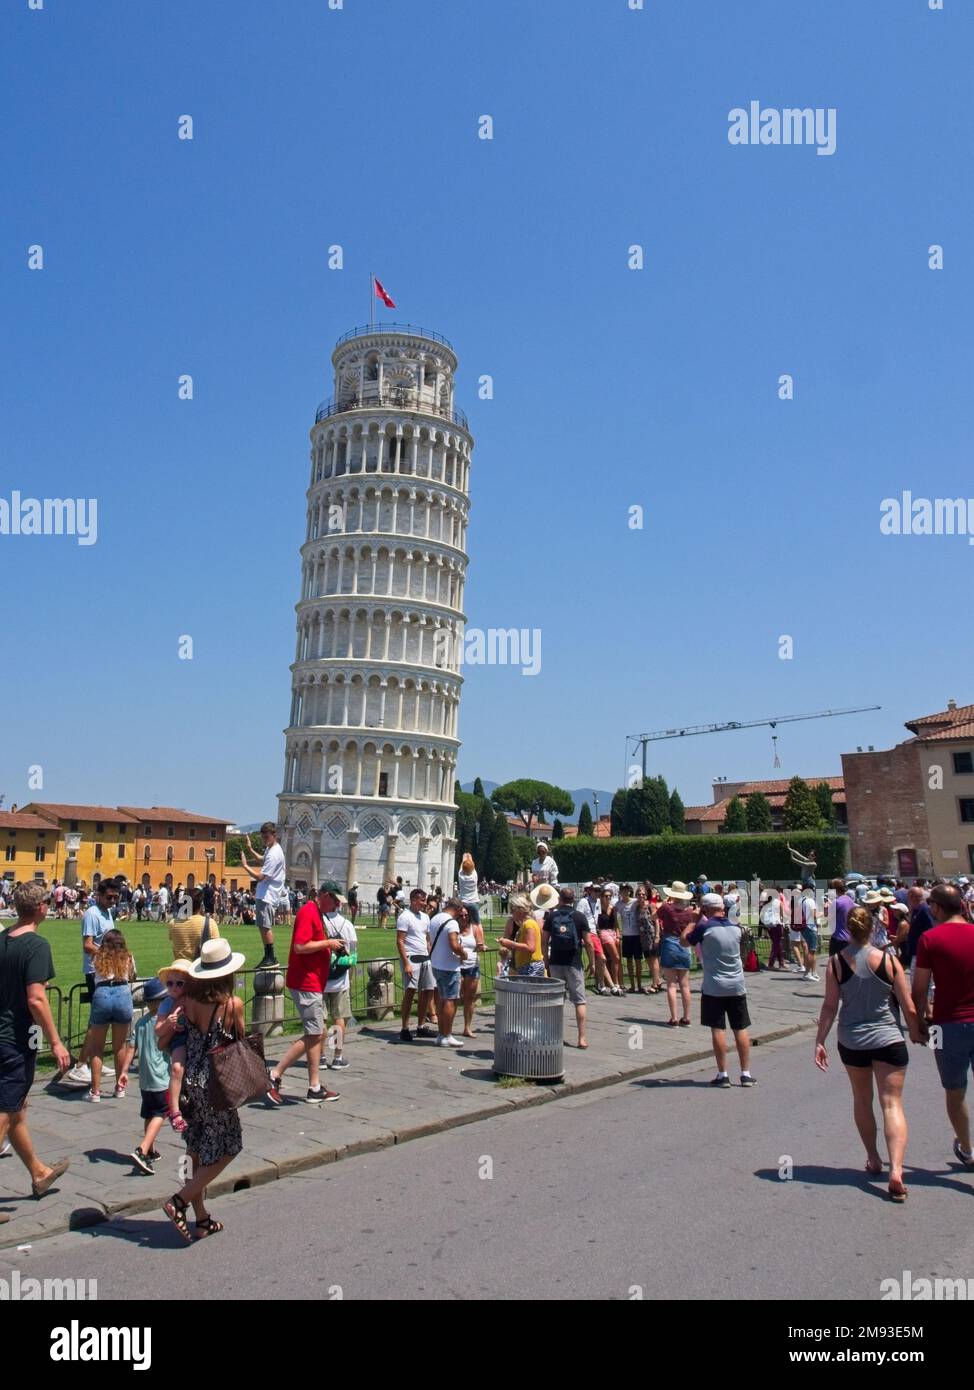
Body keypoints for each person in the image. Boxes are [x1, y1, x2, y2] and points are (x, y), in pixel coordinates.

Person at [816, 905, 921, 1202]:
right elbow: (908, 1004)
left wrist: (820, 1040)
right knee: (892, 1105)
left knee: (862, 1100)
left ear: (848, 929)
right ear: (873, 928)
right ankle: (896, 1170)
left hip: (852, 1040)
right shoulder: (888, 960)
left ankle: (873, 1157)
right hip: (888, 1037)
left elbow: (829, 1006)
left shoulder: (836, 962)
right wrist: (915, 1030)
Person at [162, 937, 247, 1242]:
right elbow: (240, 1040)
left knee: (194, 1148)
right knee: (229, 1147)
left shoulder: (188, 1001)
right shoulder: (230, 1004)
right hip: (216, 1083)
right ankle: (179, 1201)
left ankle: (202, 1219)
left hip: (190, 1081)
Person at [0, 882, 71, 1215]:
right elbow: (37, 998)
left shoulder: (3, 939)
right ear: (42, 906)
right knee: (5, 1113)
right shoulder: (36, 946)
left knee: (16, 1111)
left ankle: (39, 1173)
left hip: (3, 1035)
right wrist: (56, 1041)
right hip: (16, 1040)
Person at [912, 884, 974, 1171]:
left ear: (936, 908)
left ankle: (967, 1147)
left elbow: (920, 988)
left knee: (954, 1089)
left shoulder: (929, 939)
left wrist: (919, 1022)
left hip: (945, 1025)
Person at [266, 883, 345, 1103]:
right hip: (305, 981)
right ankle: (275, 1074)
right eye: (336, 900)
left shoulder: (317, 913)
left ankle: (314, 1087)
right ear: (325, 896)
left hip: (313, 982)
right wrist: (328, 943)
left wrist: (330, 946)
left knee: (316, 1032)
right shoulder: (308, 912)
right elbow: (300, 946)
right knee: (314, 1034)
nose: (338, 905)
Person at [687, 893, 755, 1088]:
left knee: (718, 1029)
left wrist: (693, 920)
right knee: (740, 1028)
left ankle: (723, 1074)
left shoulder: (704, 927)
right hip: (737, 984)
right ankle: (745, 1073)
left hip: (714, 985)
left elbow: (685, 940)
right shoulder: (736, 926)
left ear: (705, 909)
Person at [62, 878, 119, 1087]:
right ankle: (81, 1065)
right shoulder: (92, 914)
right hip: (95, 971)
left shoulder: (108, 912)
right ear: (99, 895)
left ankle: (96, 1059)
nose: (112, 900)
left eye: (115, 897)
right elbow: (87, 944)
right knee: (97, 1020)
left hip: (106, 970)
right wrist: (110, 954)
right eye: (109, 897)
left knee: (102, 1019)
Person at [85, 929, 137, 1102]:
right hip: (122, 992)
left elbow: (94, 975)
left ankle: (95, 1091)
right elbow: (132, 975)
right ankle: (119, 1087)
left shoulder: (98, 957)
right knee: (120, 1046)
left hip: (103, 993)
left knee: (97, 1047)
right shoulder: (128, 957)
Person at [131, 977, 171, 1175]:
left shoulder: (140, 1022)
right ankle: (142, 1149)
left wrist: (122, 1072)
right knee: (160, 1114)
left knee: (149, 1113)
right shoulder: (163, 1023)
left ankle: (151, 1150)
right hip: (160, 1077)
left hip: (144, 1079)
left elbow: (131, 1047)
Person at [542, 887, 590, 1049]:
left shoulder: (552, 916)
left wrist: (546, 960)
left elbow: (544, 940)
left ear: (560, 899)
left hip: (555, 961)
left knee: (556, 1001)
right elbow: (588, 942)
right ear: (573, 900)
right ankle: (581, 1038)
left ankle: (554, 1036)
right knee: (579, 1001)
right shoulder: (580, 917)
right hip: (574, 962)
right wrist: (593, 961)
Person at [238, 821, 286, 968]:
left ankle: (271, 956)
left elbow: (261, 877)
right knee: (262, 925)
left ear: (274, 835)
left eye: (267, 836)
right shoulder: (271, 849)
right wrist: (250, 849)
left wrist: (245, 866)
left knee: (265, 926)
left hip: (267, 894)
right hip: (265, 893)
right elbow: (261, 859)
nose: (265, 839)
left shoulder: (274, 854)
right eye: (263, 837)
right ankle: (268, 955)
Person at [155, 960, 192, 1133]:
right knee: (177, 1068)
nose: (174, 987)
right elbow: (159, 1031)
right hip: (178, 1038)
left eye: (179, 983)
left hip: (194, 1036)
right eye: (170, 983)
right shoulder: (166, 1003)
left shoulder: (193, 999)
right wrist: (169, 1023)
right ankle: (174, 1111)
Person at [323, 889, 357, 1070]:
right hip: (340, 978)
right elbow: (354, 954)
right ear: (339, 904)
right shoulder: (347, 925)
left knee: (320, 1021)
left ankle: (320, 1057)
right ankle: (337, 1057)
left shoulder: (318, 922)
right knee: (338, 1018)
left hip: (319, 978)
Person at [397, 888, 436, 1041]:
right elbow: (400, 941)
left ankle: (420, 1026)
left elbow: (427, 940)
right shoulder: (405, 917)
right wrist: (406, 963)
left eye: (424, 900)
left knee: (426, 992)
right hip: (411, 957)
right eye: (422, 901)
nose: (424, 903)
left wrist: (432, 956)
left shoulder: (425, 917)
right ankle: (405, 1027)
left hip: (425, 957)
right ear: (413, 900)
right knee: (410, 992)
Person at [428, 899, 466, 1047]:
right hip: (449, 966)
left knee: (442, 1000)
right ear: (457, 909)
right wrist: (463, 954)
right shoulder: (452, 923)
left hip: (437, 963)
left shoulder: (435, 918)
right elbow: (454, 944)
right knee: (450, 1000)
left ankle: (441, 1034)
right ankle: (446, 1035)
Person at [658, 881, 697, 1026]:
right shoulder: (689, 911)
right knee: (685, 985)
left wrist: (663, 903)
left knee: (671, 984)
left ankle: (674, 1017)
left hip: (669, 944)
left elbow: (655, 916)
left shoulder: (667, 908)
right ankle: (686, 1017)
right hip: (684, 945)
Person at [497, 895, 545, 978]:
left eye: (512, 909)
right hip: (526, 965)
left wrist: (510, 943)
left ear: (520, 910)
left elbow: (530, 948)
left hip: (531, 966)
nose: (511, 913)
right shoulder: (526, 924)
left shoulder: (528, 924)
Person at [457, 904, 485, 1037]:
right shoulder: (454, 929)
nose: (463, 918)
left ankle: (467, 1027)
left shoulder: (474, 928)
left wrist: (481, 947)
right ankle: (447, 1027)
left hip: (472, 966)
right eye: (461, 915)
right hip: (457, 966)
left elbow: (480, 944)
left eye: (466, 915)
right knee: (454, 997)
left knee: (470, 998)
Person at [616, 884, 645, 993]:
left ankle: (640, 985)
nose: (625, 892)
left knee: (638, 961)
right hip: (626, 936)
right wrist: (618, 930)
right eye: (622, 890)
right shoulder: (618, 905)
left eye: (627, 890)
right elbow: (614, 917)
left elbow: (644, 903)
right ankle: (632, 986)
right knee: (628, 961)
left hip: (636, 935)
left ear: (629, 891)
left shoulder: (635, 901)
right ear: (620, 892)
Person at [169, 887, 211, 962]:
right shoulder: (209, 923)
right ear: (201, 905)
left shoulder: (173, 923)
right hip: (200, 969)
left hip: (180, 968)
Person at [595, 890, 623, 994]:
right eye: (606, 896)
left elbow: (616, 923)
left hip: (612, 932)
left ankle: (614, 981)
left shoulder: (613, 908)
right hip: (603, 932)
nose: (608, 898)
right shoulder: (598, 909)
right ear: (601, 897)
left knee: (613, 959)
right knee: (615, 957)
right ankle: (615, 983)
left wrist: (618, 934)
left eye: (610, 896)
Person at [635, 885, 662, 992]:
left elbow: (656, 922)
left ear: (646, 895)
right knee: (648, 959)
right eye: (639, 894)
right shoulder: (637, 907)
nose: (641, 896)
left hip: (651, 935)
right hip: (643, 938)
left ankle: (654, 985)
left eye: (643, 894)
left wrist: (657, 936)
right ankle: (658, 980)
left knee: (654, 959)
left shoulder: (651, 906)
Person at [799, 882, 821, 983]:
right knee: (811, 951)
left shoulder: (801, 900)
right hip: (810, 926)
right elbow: (814, 915)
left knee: (811, 950)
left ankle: (813, 972)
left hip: (803, 927)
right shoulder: (810, 901)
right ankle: (807, 973)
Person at [760, 888, 785, 970]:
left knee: (777, 943)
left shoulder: (766, 903)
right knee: (776, 944)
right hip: (777, 924)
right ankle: (771, 963)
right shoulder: (779, 902)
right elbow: (782, 915)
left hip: (769, 925)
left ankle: (781, 962)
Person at [457, 853, 481, 926]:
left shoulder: (461, 876)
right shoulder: (474, 876)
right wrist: (469, 856)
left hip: (463, 902)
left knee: (462, 923)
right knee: (477, 924)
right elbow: (471, 864)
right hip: (473, 902)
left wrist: (464, 857)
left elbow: (462, 865)